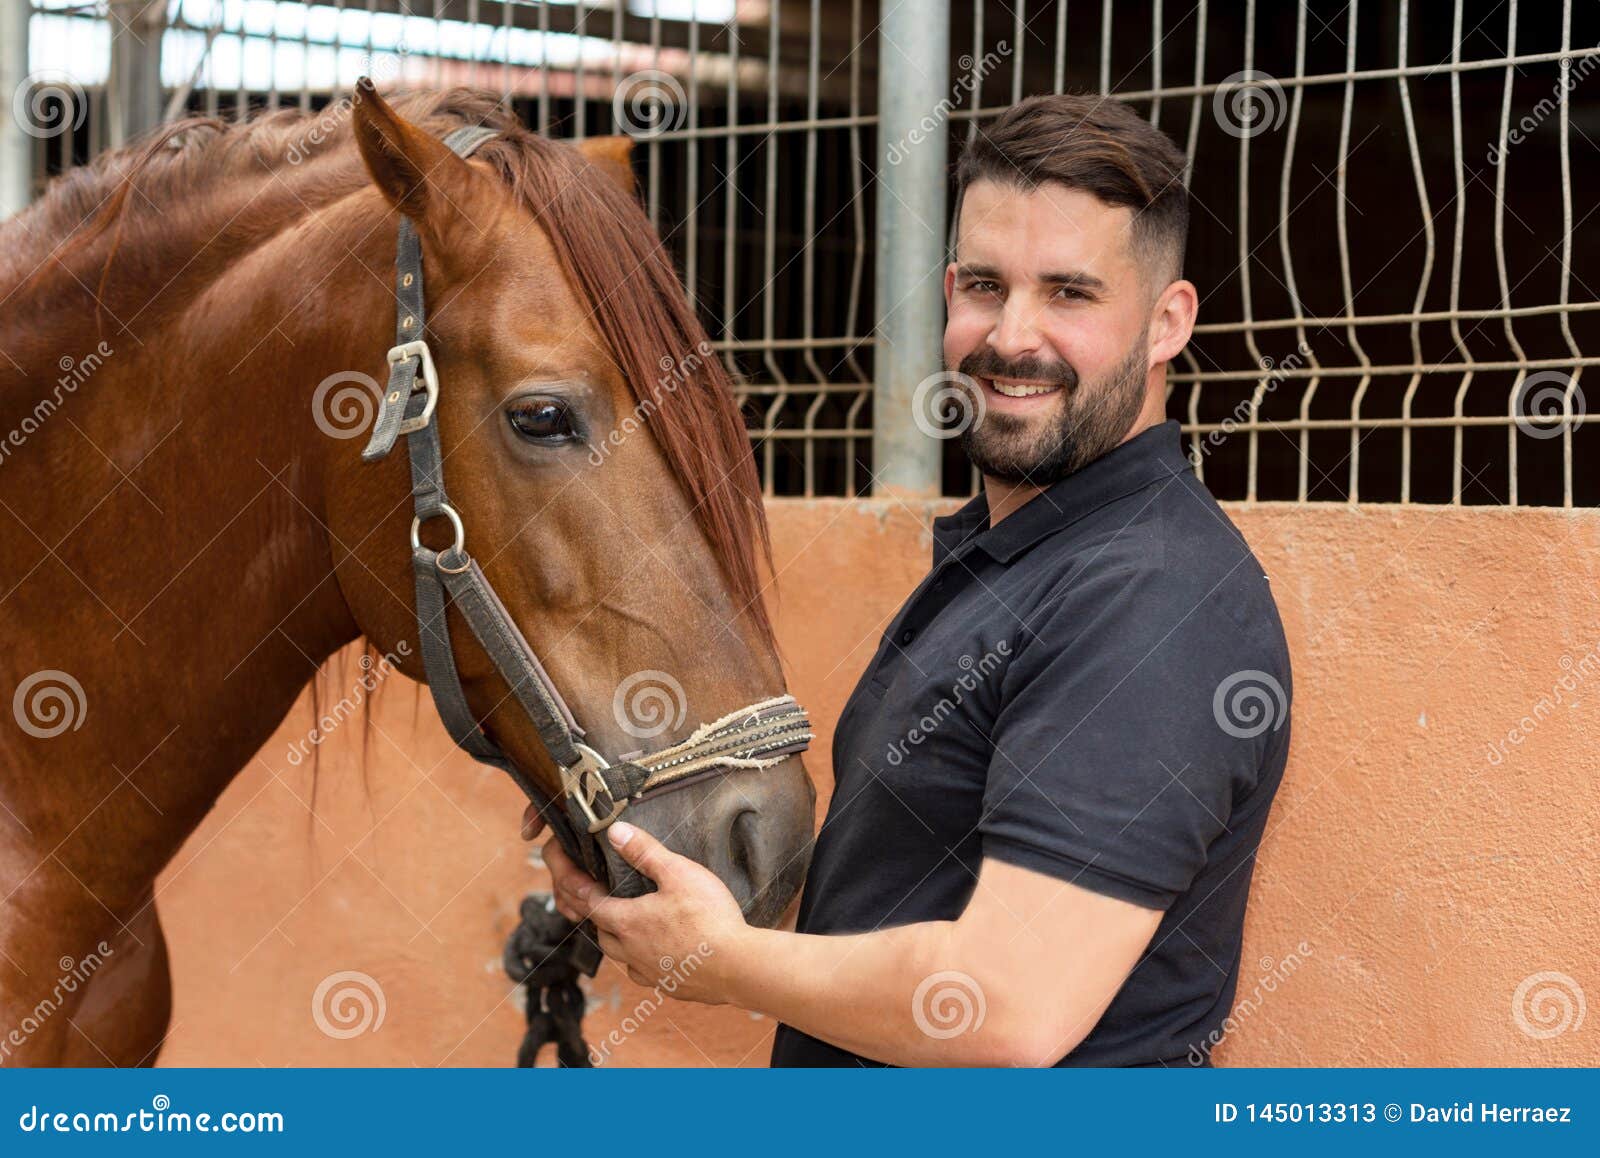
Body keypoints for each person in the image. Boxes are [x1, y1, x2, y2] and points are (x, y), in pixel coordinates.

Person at [529, 93, 1293, 1068]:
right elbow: (888, 895)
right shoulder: (1018, 558)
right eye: (984, 285)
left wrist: (720, 963)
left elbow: (1007, 1009)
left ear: (1165, 322)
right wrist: (638, 863)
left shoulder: (1152, 597)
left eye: (1069, 293)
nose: (1012, 337)